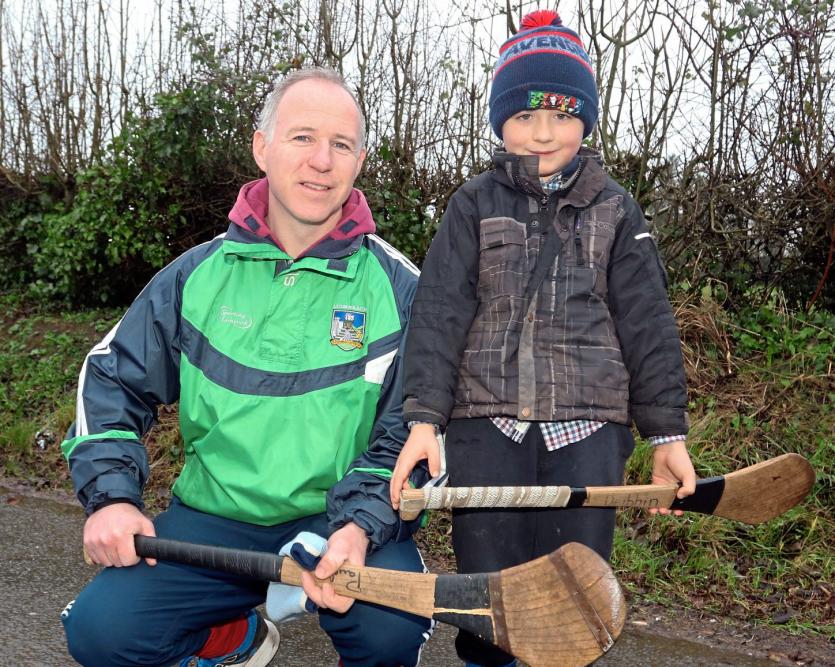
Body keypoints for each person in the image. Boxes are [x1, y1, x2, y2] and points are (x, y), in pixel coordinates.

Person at [60, 66, 432, 667]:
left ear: (360, 160)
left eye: (341, 144)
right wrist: (111, 499)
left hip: (341, 519)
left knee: (391, 630)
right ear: (262, 147)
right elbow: (110, 378)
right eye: (302, 137)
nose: (321, 160)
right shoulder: (194, 276)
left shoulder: (401, 289)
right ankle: (230, 639)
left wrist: (360, 525)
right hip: (213, 520)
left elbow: (414, 433)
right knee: (103, 634)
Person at [390, 10, 697, 667]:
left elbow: (647, 321)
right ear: (501, 122)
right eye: (525, 116)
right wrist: (423, 419)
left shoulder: (616, 209)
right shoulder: (471, 204)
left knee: (571, 593)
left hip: (587, 431)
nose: (543, 132)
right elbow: (440, 311)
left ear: (584, 120)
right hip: (483, 426)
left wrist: (666, 436)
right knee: (488, 597)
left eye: (560, 114)